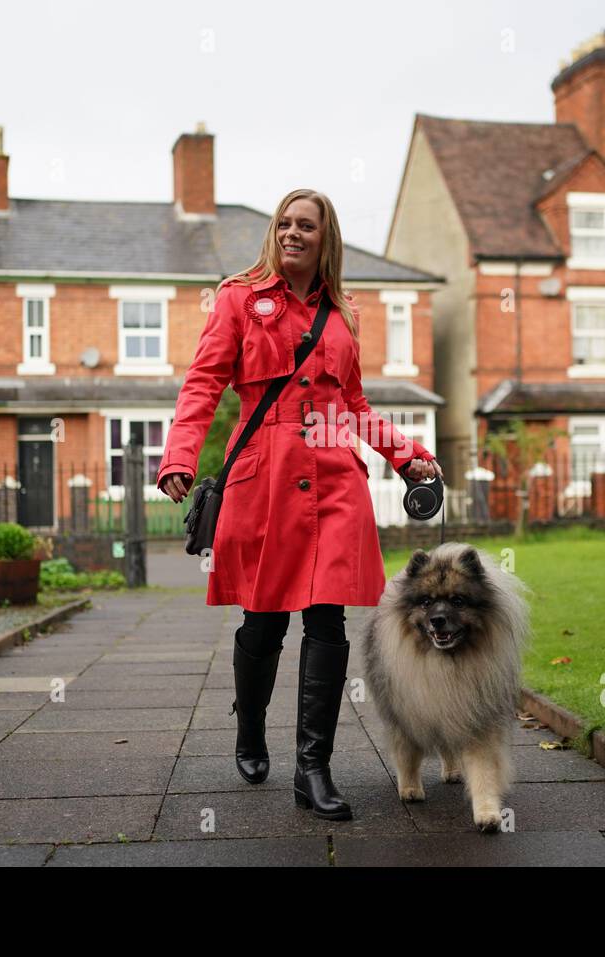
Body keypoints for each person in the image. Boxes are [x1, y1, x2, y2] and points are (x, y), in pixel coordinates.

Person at [156, 188, 442, 821]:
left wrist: (406, 453)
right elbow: (203, 382)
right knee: (263, 622)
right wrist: (180, 454)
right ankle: (251, 728)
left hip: (335, 473)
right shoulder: (238, 298)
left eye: (304, 225)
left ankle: (312, 769)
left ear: (324, 237)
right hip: (265, 474)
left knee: (327, 621)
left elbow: (356, 406)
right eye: (282, 223)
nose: (291, 233)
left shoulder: (343, 313)